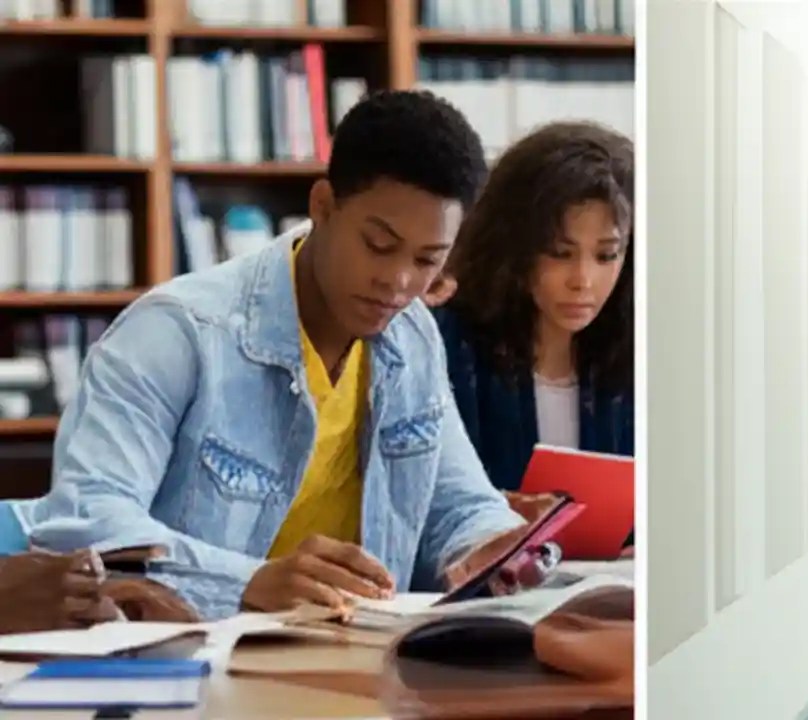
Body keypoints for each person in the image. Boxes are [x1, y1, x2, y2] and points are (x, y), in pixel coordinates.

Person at [6, 89, 529, 620]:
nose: (397, 282)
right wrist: (248, 582)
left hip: (357, 660)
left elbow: (461, 503)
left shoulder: (413, 335)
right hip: (199, 665)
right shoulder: (177, 333)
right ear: (322, 206)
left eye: (426, 260)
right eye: (377, 244)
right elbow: (90, 522)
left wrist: (492, 546)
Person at [433, 122, 634, 497]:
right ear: (514, 245)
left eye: (607, 255)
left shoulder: (641, 351)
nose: (583, 280)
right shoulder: (446, 344)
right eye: (560, 253)